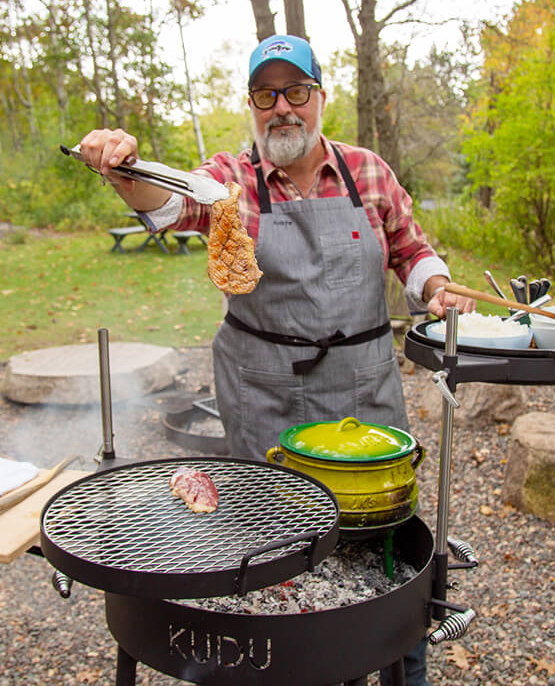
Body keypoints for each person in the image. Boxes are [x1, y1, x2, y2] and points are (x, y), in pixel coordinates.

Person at [79, 34, 472, 685]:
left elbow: (410, 246)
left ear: (320, 97)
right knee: (272, 539)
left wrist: (434, 284)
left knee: (381, 537)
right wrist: (124, 170)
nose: (282, 107)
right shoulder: (229, 179)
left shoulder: (367, 170)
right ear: (253, 103)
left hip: (364, 387)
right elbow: (170, 203)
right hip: (263, 392)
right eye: (267, 94)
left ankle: (392, 659)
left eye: (296, 91)